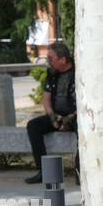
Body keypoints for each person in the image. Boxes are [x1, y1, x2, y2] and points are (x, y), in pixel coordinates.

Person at [25, 41, 78, 184]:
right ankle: (43, 171)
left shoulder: (79, 72)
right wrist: (51, 115)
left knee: (82, 129)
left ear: (63, 59)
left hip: (76, 115)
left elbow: (86, 102)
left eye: (51, 58)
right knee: (33, 126)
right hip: (57, 115)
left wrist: (70, 118)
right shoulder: (52, 73)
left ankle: (80, 171)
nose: (48, 62)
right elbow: (46, 98)